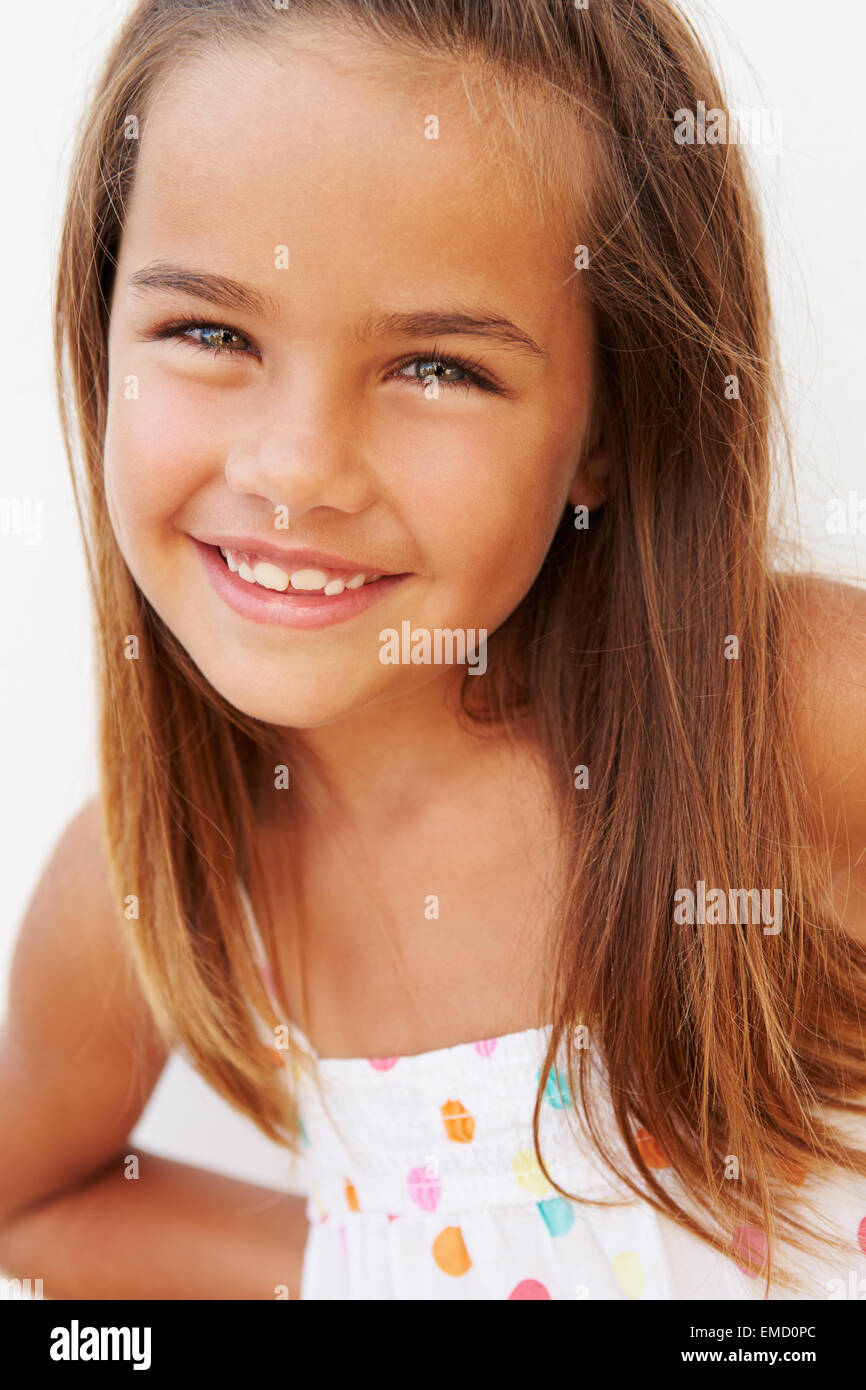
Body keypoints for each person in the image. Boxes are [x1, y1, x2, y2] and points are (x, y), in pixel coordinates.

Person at [1, 0, 865, 1300]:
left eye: (436, 367)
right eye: (212, 334)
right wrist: (369, 1260)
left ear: (604, 427)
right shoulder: (152, 878)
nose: (295, 468)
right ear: (99, 335)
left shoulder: (794, 714)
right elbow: (40, 1196)